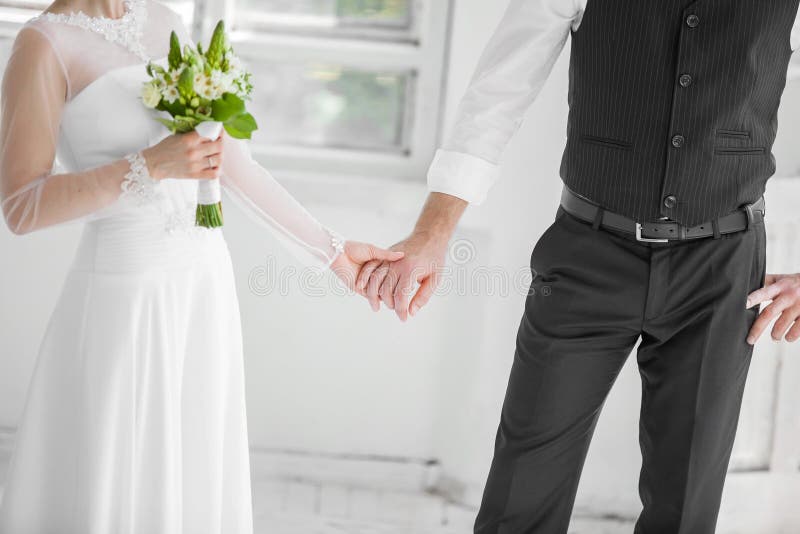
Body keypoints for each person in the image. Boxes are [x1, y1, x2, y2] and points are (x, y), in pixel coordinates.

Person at [359, 0, 800, 532]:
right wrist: (432, 232)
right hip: (588, 251)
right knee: (522, 491)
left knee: (686, 506)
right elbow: (500, 89)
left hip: (722, 268)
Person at [0, 1, 402, 532]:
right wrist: (149, 166)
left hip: (202, 281)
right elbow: (21, 206)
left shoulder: (164, 21)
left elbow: (229, 162)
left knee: (193, 470)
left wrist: (332, 252)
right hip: (128, 295)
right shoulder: (43, 44)